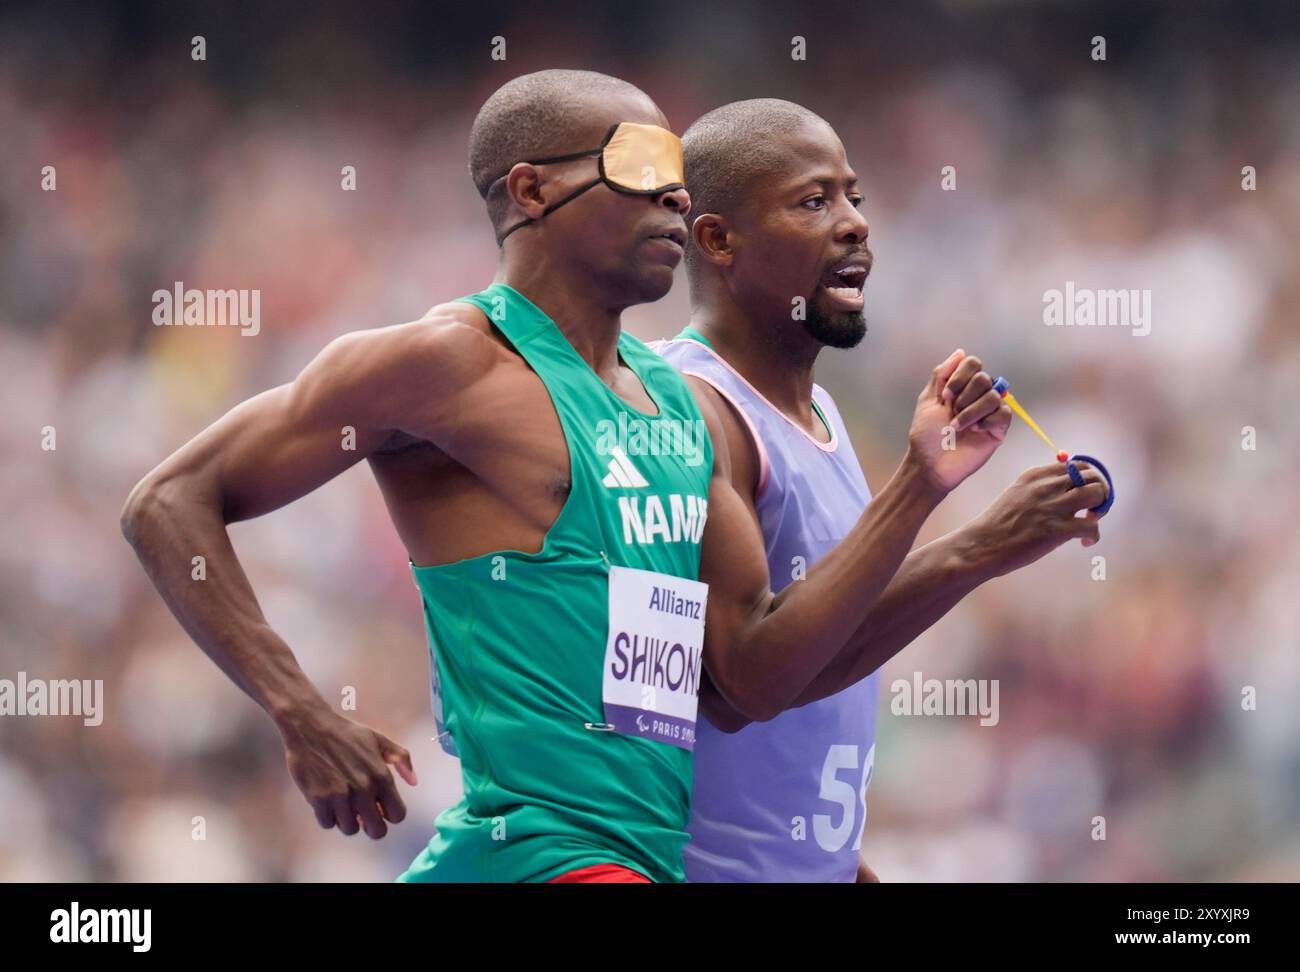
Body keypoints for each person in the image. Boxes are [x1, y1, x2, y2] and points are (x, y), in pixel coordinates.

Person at [120, 71, 1010, 883]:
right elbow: (168, 501)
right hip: (536, 853)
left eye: (680, 174)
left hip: (650, 856)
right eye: (639, 165)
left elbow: (745, 679)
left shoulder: (673, 400)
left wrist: (803, 860)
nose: (672, 191)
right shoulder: (449, 364)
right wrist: (298, 709)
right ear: (531, 189)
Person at [657, 98, 1110, 882]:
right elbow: (747, 684)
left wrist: (842, 867)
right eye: (813, 201)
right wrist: (953, 520)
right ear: (718, 239)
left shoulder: (817, 412)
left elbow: (819, 651)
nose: (855, 223)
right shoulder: (687, 406)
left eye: (853, 197)